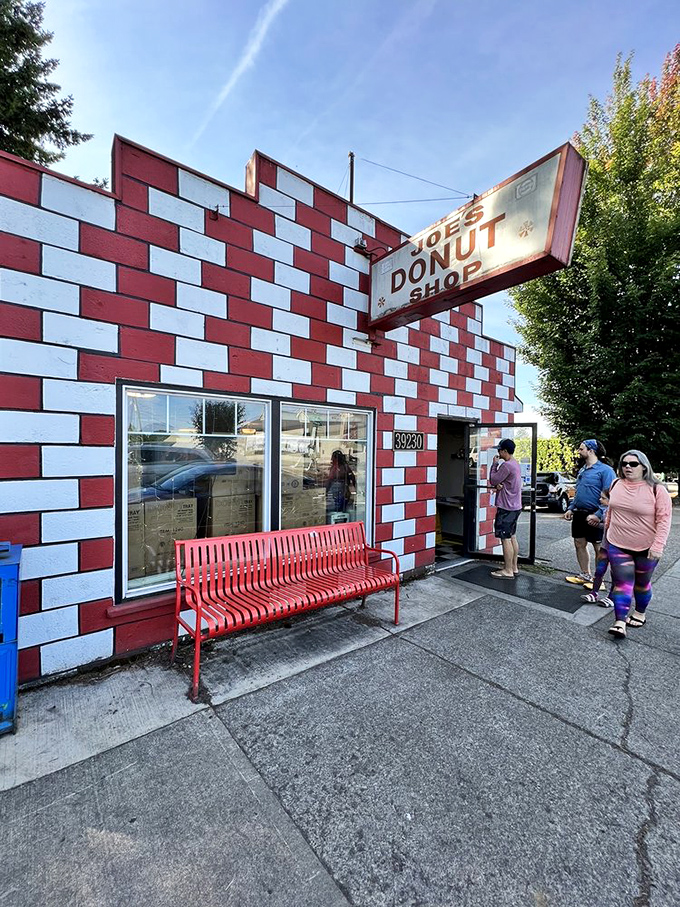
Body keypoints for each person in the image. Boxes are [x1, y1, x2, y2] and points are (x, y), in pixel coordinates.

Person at [605, 450, 672, 638]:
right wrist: (606, 534)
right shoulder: (616, 483)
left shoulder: (657, 489)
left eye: (633, 464)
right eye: (624, 463)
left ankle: (640, 612)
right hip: (617, 543)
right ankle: (619, 621)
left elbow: (664, 520)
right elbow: (611, 510)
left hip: (646, 547)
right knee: (622, 583)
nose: (627, 467)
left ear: (644, 466)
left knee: (641, 584)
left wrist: (658, 546)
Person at [564, 439, 616, 585]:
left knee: (599, 548)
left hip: (595, 514)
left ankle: (599, 581)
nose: (579, 451)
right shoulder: (583, 469)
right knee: (579, 543)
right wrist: (570, 508)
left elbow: (610, 495)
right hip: (580, 514)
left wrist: (598, 515)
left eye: (581, 449)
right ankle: (585, 575)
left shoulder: (606, 471)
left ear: (591, 451)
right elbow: (579, 491)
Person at [488, 438, 522, 578]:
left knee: (505, 538)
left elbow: (494, 479)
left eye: (499, 450)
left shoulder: (506, 466)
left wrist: (494, 465)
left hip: (506, 507)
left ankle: (507, 570)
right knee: (512, 537)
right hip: (515, 506)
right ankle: (513, 567)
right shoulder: (515, 464)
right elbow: (503, 482)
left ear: (505, 451)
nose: (498, 452)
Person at [580, 488, 614, 607]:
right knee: (599, 570)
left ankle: (611, 597)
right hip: (605, 545)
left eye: (603, 498)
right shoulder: (605, 511)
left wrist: (600, 524)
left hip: (616, 546)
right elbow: (606, 526)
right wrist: (598, 524)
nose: (600, 499)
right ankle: (594, 593)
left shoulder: (618, 512)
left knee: (616, 573)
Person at [325, 449, 356, 521]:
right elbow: (352, 478)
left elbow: (330, 479)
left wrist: (326, 491)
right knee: (341, 508)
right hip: (343, 491)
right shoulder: (345, 467)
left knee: (338, 509)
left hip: (340, 491)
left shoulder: (337, 467)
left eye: (333, 458)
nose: (332, 459)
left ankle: (340, 522)